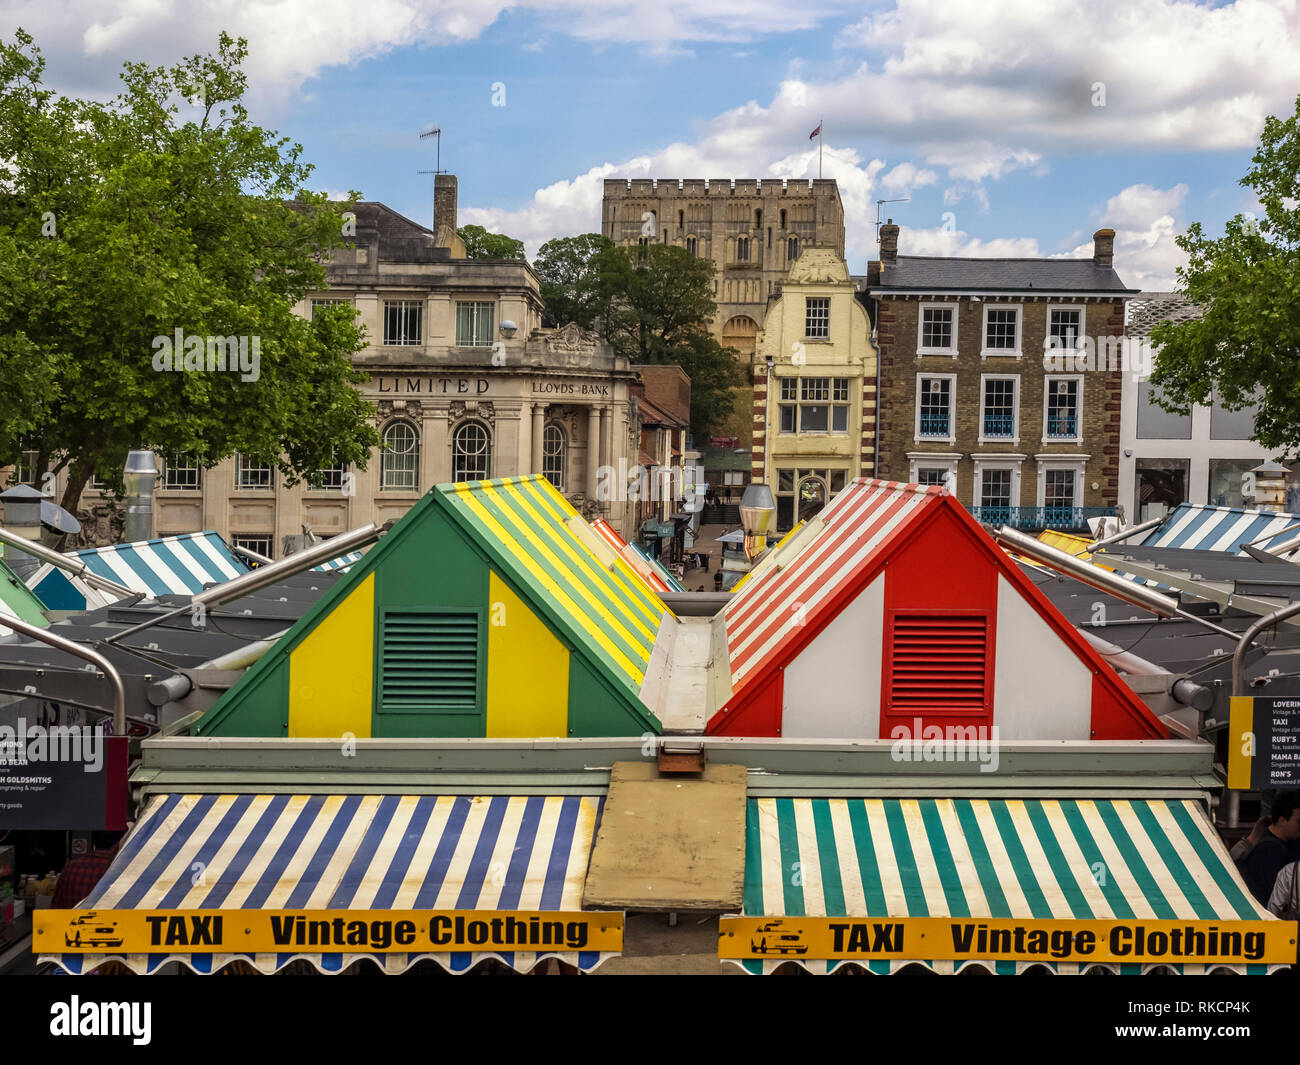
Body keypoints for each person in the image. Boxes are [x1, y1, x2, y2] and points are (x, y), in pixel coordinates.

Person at [1240, 792, 1300, 906]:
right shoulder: (1268, 850)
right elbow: (1270, 895)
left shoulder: (1290, 843)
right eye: (1298, 821)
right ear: (1282, 820)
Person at [51, 830, 124, 909]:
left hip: (72, 920)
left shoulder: (70, 867)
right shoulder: (119, 871)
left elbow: (56, 907)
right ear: (117, 844)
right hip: (107, 920)